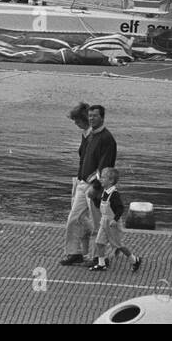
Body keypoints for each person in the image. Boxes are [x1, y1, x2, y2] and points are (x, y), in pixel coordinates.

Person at [59, 102, 96, 266]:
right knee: (74, 218)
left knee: (96, 221)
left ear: (84, 119)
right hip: (82, 181)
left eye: (77, 120)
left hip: (92, 184)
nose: (75, 123)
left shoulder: (96, 136)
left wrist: (96, 183)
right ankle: (74, 252)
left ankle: (99, 255)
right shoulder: (85, 134)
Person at [89, 167, 142, 273]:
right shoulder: (104, 192)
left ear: (111, 181)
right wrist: (93, 198)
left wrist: (115, 219)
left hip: (112, 224)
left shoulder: (114, 194)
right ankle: (101, 264)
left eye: (103, 178)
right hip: (104, 222)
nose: (101, 180)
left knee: (118, 245)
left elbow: (120, 208)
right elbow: (99, 205)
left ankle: (134, 260)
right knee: (99, 242)